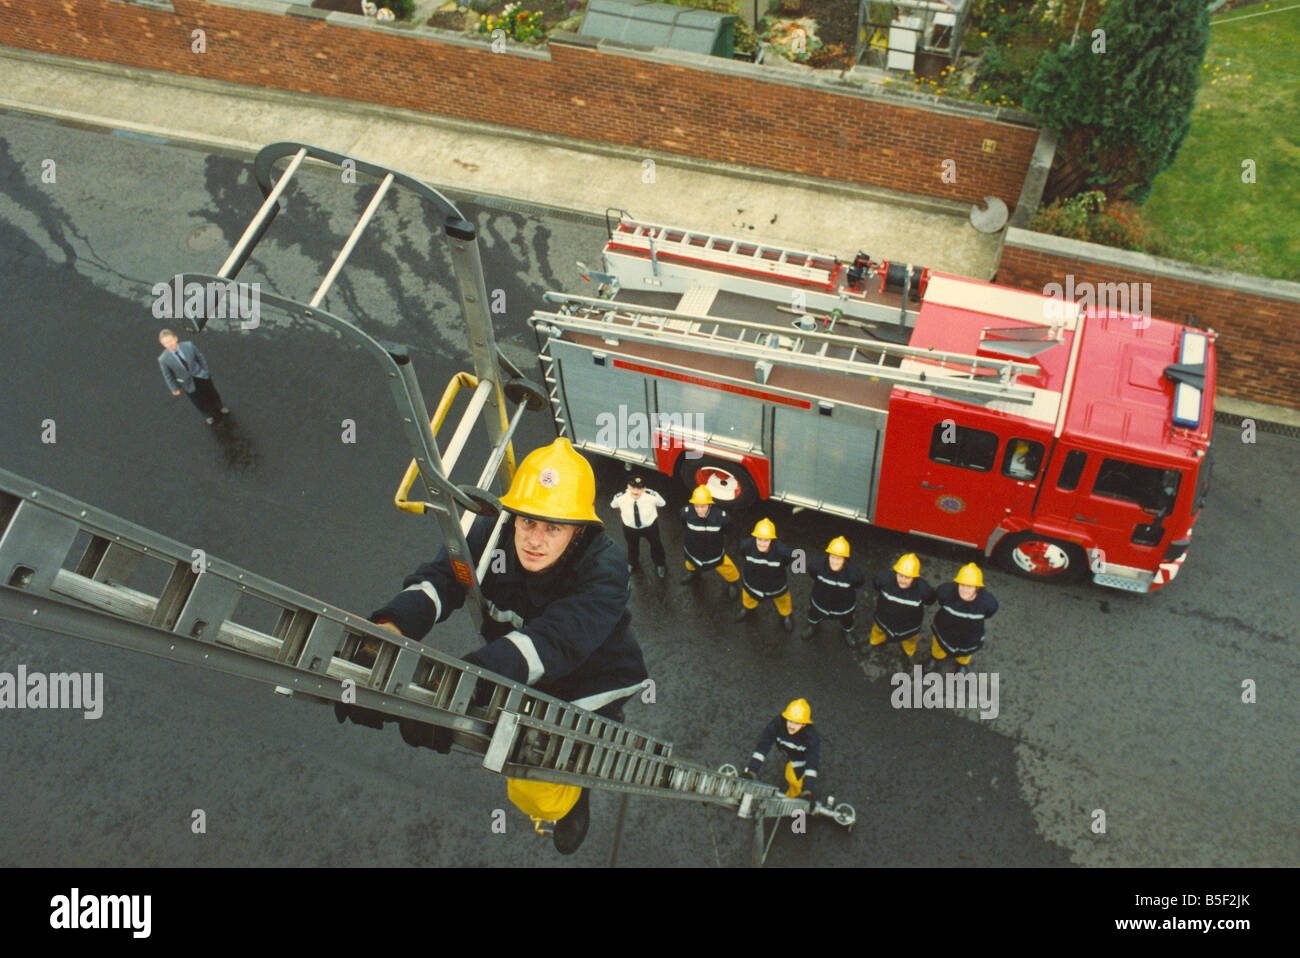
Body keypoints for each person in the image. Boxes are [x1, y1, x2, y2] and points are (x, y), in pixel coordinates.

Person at [359, 437, 649, 855]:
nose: (535, 540)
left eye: (553, 527)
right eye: (528, 522)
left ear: (579, 530)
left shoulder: (605, 569)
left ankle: (570, 798)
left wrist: (456, 689)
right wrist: (392, 625)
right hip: (512, 667)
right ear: (513, 516)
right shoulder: (490, 533)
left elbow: (551, 643)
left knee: (533, 781)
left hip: (588, 680)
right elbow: (442, 579)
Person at [742, 698, 820, 801]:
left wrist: (807, 791)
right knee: (790, 775)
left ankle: (792, 803)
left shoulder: (811, 738)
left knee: (795, 782)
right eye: (790, 721)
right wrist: (751, 771)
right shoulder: (777, 724)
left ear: (804, 724)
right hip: (789, 752)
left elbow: (811, 764)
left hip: (800, 759)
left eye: (796, 723)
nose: (791, 726)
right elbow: (762, 747)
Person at [870, 553, 938, 669]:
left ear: (915, 577)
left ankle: (908, 652)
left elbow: (930, 599)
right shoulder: (884, 579)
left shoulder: (923, 590)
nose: (903, 580)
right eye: (900, 575)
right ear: (896, 572)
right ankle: (874, 642)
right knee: (878, 631)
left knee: (910, 641)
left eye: (907, 577)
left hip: (909, 627)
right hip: (883, 620)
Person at [929, 563, 998, 674]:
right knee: (938, 647)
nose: (965, 590)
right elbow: (941, 601)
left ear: (978, 587)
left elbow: (989, 613)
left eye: (970, 586)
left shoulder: (987, 603)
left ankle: (962, 663)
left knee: (966, 653)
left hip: (969, 637)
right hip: (945, 631)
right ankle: (935, 658)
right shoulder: (945, 592)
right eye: (962, 585)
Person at [801, 536, 866, 645]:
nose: (835, 561)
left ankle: (847, 632)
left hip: (844, 607)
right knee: (814, 614)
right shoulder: (817, 566)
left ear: (845, 559)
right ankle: (813, 626)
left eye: (839, 558)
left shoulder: (854, 575)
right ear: (828, 555)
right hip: (819, 602)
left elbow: (858, 583)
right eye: (833, 557)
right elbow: (813, 573)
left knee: (847, 621)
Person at [678, 485, 740, 598]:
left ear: (710, 505)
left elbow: (728, 530)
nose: (699, 510)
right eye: (696, 506)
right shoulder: (685, 513)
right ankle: (693, 573)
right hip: (693, 550)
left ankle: (733, 583)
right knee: (691, 562)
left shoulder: (721, 517)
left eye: (703, 506)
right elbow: (684, 524)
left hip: (714, 553)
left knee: (727, 568)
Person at [734, 518, 795, 632]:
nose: (762, 543)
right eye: (759, 539)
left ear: (772, 540)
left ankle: (786, 615)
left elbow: (789, 561)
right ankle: (748, 608)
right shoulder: (746, 546)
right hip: (753, 581)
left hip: (776, 584)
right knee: (748, 596)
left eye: (766, 540)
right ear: (755, 537)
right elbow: (742, 554)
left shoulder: (783, 551)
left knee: (783, 600)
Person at [157, 329, 228, 425]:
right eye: (165, 343)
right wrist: (174, 388)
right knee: (197, 400)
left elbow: (200, 358)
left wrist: (205, 371)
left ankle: (219, 406)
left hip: (201, 375)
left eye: (170, 341)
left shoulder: (189, 346)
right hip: (187, 382)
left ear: (175, 338)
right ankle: (207, 415)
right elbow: (168, 375)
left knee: (211, 392)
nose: (169, 344)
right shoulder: (163, 359)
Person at [609, 474, 667, 579]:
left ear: (644, 488)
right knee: (632, 546)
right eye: (632, 488)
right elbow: (615, 506)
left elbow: (661, 504)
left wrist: (650, 514)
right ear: (628, 486)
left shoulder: (652, 496)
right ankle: (633, 562)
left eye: (639, 488)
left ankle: (660, 564)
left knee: (656, 545)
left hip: (650, 526)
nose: (636, 491)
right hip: (629, 528)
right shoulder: (620, 497)